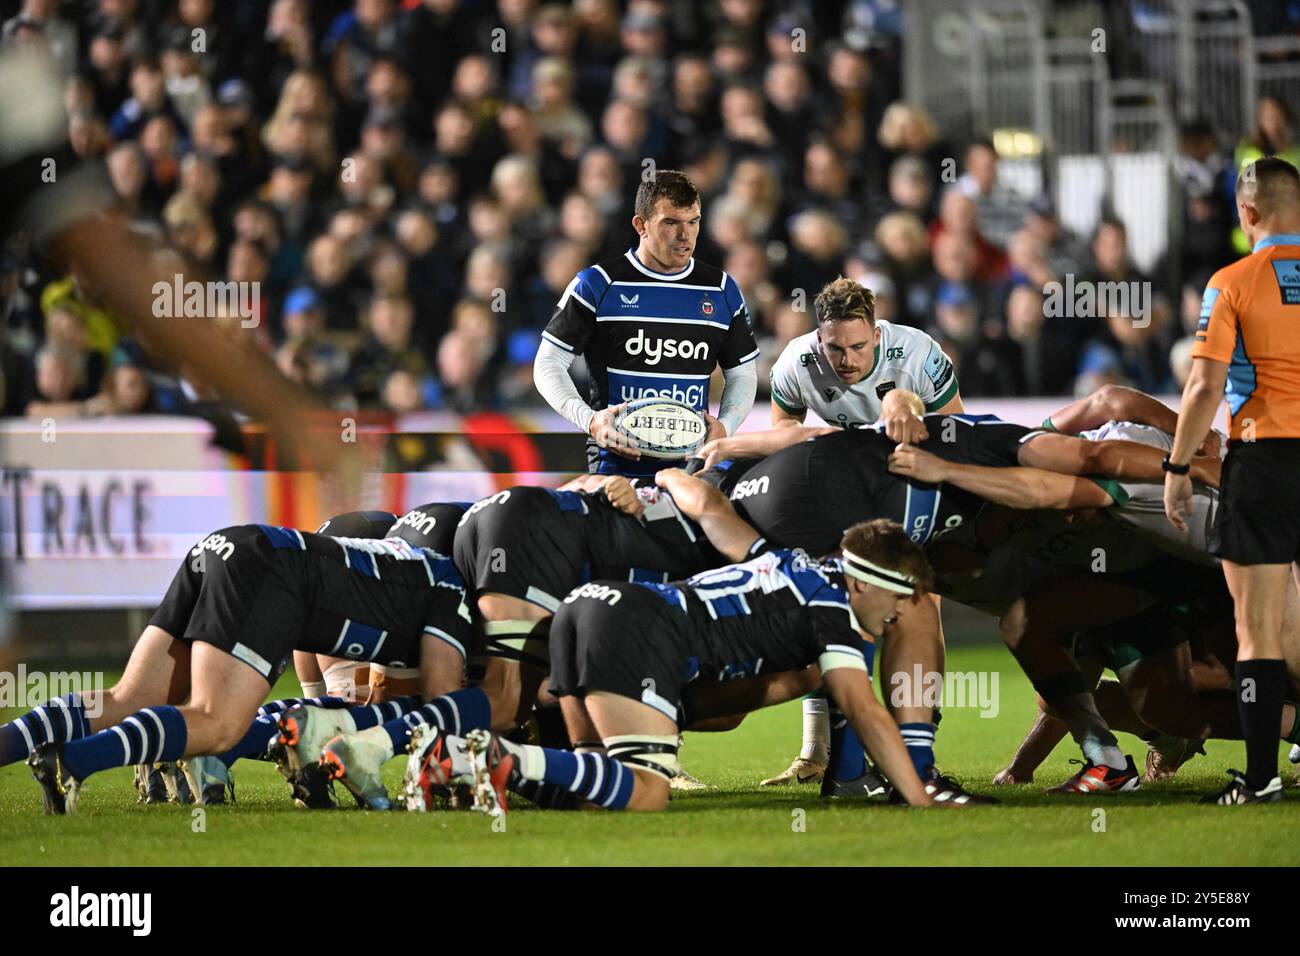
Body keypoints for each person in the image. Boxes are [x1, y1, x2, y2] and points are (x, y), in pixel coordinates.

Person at [410, 500, 946, 815]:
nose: (900, 614)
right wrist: (919, 802)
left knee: (594, 787)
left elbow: (713, 510)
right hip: (639, 628)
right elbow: (865, 709)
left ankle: (468, 762)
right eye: (900, 598)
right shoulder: (834, 605)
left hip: (588, 607)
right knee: (648, 793)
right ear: (863, 582)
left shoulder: (794, 564)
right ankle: (476, 757)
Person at [14, 523, 472, 814]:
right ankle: (73, 761)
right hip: (268, 570)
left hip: (228, 546)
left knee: (126, 698)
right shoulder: (450, 588)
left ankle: (17, 744)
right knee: (216, 723)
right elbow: (441, 704)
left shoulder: (412, 568)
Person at [1165, 156, 1300, 804]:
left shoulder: (1233, 280)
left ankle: (1262, 777)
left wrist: (1178, 464)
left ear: (1248, 214)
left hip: (1266, 461)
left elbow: (1205, 385)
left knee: (1260, 630)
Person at [532, 169, 758, 476]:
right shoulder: (597, 284)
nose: (685, 235)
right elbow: (547, 364)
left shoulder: (722, 290)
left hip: (692, 466)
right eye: (671, 223)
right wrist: (589, 420)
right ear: (641, 225)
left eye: (693, 222)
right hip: (615, 466)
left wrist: (726, 426)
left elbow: (742, 372)